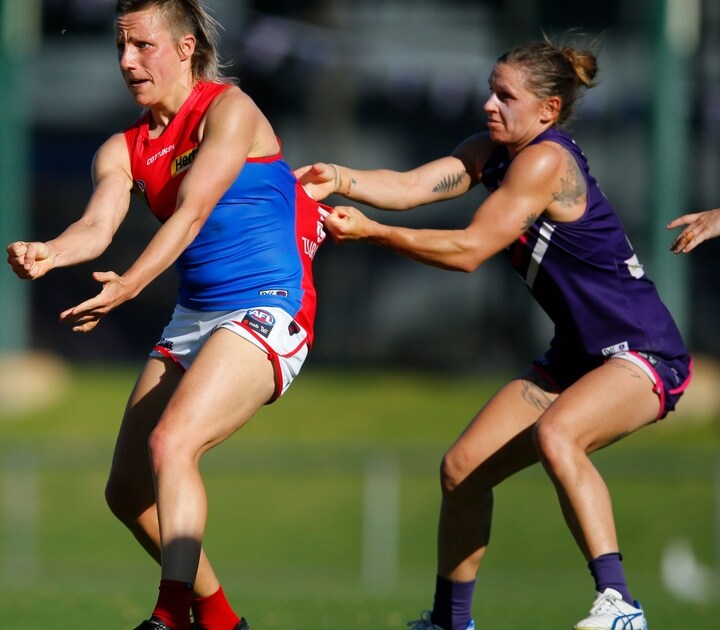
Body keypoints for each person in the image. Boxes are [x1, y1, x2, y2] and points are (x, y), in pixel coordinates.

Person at [295, 37, 691, 630]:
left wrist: (374, 234)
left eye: (505, 96)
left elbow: (468, 250)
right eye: (490, 89)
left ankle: (621, 606)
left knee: (560, 435)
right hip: (578, 356)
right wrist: (342, 177)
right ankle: (452, 622)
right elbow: (410, 186)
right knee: (461, 469)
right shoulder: (492, 153)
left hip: (641, 351)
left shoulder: (543, 163)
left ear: (547, 111)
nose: (489, 104)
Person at [6, 2, 325, 629]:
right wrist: (49, 252)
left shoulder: (230, 110)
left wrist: (129, 285)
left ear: (185, 48)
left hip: (269, 308)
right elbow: (97, 226)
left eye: (142, 45)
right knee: (126, 494)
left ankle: (171, 614)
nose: (127, 61)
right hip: (195, 317)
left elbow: (193, 211)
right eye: (120, 46)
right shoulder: (123, 148)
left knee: (172, 443)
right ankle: (223, 621)